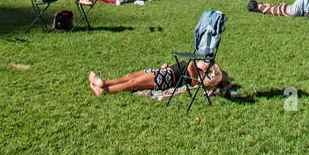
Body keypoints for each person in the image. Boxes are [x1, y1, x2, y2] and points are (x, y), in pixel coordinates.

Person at [88, 61, 229, 96]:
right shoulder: (195, 70)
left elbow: (191, 65)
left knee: (133, 83)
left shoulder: (196, 77)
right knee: (130, 77)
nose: (202, 61)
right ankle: (104, 82)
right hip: (164, 72)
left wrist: (198, 64)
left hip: (167, 78)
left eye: (205, 62)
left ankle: (104, 90)